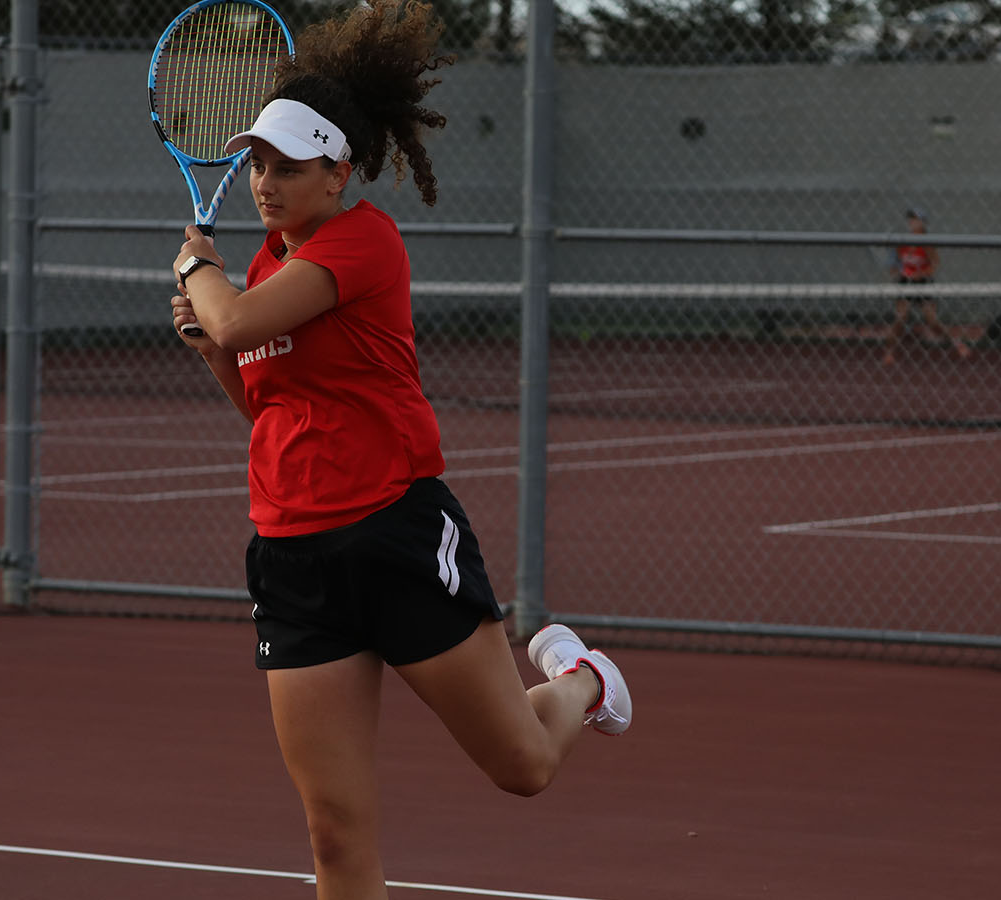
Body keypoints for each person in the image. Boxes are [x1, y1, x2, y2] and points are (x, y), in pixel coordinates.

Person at [166, 1, 631, 895]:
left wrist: (197, 271)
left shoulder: (364, 242)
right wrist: (214, 348)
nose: (266, 182)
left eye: (290, 166)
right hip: (293, 560)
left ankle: (579, 679)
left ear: (339, 174)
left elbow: (232, 310)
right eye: (258, 162)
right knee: (334, 835)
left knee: (522, 766)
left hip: (397, 538)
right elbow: (265, 406)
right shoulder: (261, 271)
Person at [883, 206, 971, 365]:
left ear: (923, 223)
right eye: (911, 219)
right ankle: (889, 353)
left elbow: (934, 264)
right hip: (906, 282)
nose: (912, 222)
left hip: (923, 283)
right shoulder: (903, 241)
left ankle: (957, 343)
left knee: (932, 322)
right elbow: (895, 265)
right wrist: (899, 271)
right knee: (900, 319)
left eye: (916, 219)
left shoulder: (926, 242)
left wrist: (920, 274)